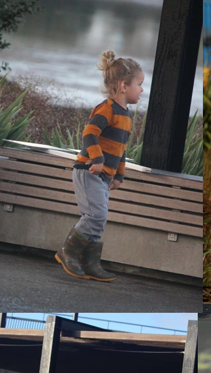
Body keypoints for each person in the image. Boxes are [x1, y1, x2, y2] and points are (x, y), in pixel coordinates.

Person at [54, 50, 143, 282]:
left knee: (99, 218)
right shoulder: (107, 109)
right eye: (139, 84)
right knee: (95, 214)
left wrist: (119, 175)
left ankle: (90, 262)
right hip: (89, 170)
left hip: (103, 176)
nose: (142, 90)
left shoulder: (126, 115)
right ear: (123, 86)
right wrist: (97, 159)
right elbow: (89, 133)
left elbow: (121, 149)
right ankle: (68, 252)